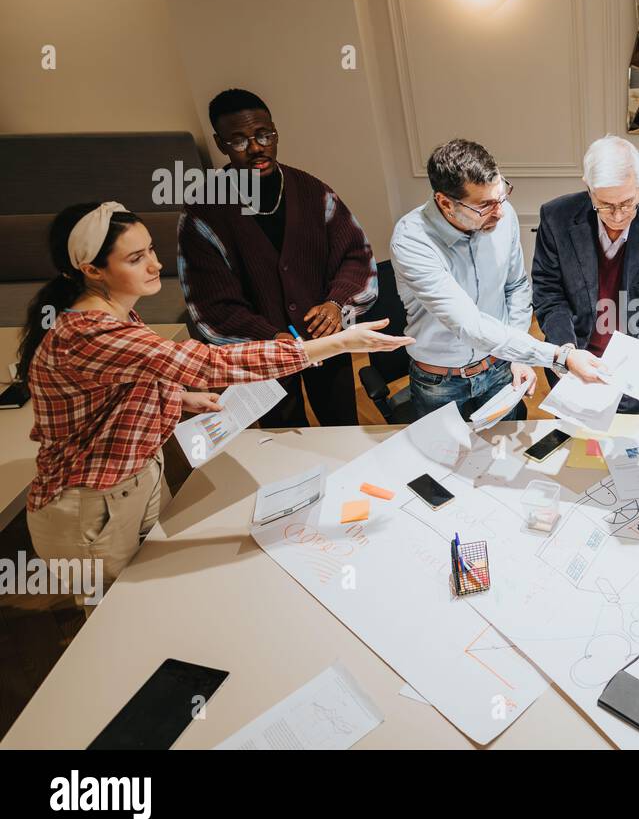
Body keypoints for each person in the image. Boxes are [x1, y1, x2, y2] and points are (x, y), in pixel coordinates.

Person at [16, 202, 412, 605]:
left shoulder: (117, 313)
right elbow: (210, 363)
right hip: (91, 502)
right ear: (92, 270)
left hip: (138, 476)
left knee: (156, 593)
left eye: (150, 249)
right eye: (135, 258)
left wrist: (179, 396)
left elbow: (126, 378)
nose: (155, 265)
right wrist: (337, 343)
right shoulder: (89, 332)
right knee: (116, 611)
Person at [178, 88, 379, 428]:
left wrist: (336, 303)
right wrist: (269, 336)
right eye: (239, 140)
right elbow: (209, 302)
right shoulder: (204, 213)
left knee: (342, 422)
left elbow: (356, 254)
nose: (256, 147)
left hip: (325, 336)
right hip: (262, 353)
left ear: (275, 132)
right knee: (281, 432)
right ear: (220, 144)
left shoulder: (313, 192)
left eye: (264, 135)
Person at [390, 138, 608, 420]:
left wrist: (516, 356)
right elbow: (469, 325)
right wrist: (559, 356)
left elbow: (515, 287)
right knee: (444, 449)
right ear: (445, 203)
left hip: (498, 368)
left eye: (502, 196)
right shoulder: (412, 240)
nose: (500, 212)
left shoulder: (503, 216)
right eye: (485, 205)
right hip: (439, 381)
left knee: (507, 446)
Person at [531, 136, 639, 412]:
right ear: (588, 187)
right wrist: (567, 351)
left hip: (634, 368)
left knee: (631, 436)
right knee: (572, 435)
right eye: (605, 205)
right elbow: (549, 293)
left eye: (628, 203)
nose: (617, 216)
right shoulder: (556, 218)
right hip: (575, 360)